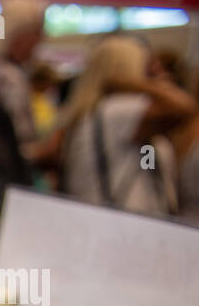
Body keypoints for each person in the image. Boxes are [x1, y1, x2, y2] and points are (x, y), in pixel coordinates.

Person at [58, 36, 197, 217]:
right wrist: (140, 84)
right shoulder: (118, 112)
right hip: (125, 223)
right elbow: (185, 106)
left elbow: (146, 162)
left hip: (122, 220)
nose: (157, 72)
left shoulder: (99, 116)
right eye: (148, 66)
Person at [0, 0, 48, 151]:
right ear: (20, 32)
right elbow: (21, 141)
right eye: (38, 31)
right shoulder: (9, 77)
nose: (41, 39)